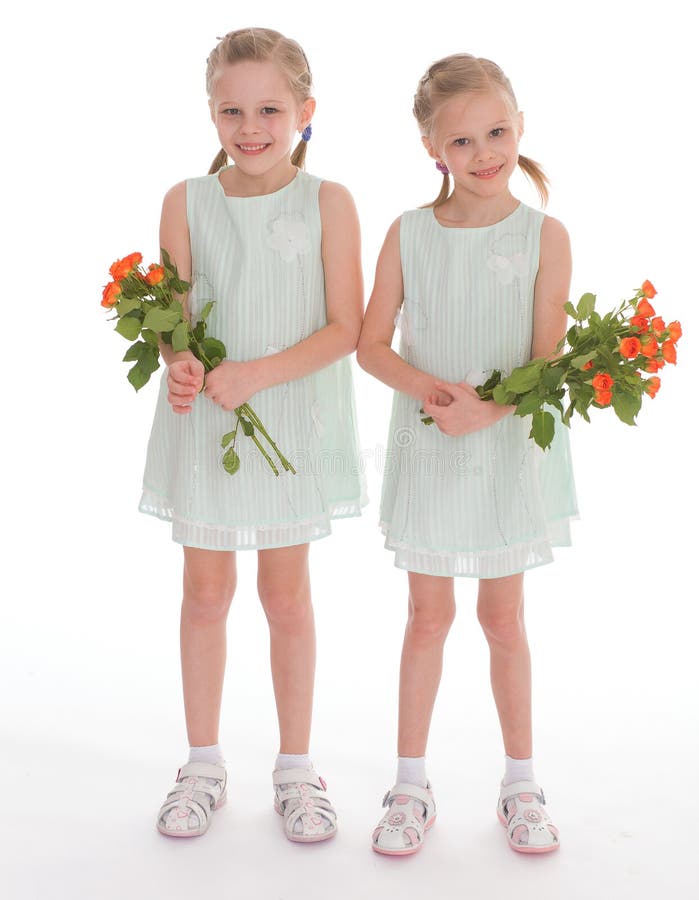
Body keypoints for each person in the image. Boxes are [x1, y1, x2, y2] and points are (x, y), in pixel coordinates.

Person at [141, 27, 366, 841]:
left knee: (285, 597)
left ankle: (296, 769)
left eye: (269, 109)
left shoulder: (328, 202)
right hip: (207, 422)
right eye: (231, 110)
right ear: (211, 113)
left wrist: (256, 374)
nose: (250, 127)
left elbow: (345, 327)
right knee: (205, 596)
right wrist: (181, 363)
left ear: (305, 111)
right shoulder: (185, 202)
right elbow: (171, 319)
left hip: (289, 422)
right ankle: (201, 764)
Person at [357, 53, 578, 855]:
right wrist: (432, 393)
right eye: (461, 141)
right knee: (426, 616)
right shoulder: (408, 233)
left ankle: (521, 784)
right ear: (432, 149)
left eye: (496, 132)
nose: (483, 153)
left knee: (502, 617)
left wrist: (487, 410)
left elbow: (547, 358)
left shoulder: (544, 235)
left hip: (506, 448)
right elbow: (370, 346)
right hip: (430, 446)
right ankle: (409, 786)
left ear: (519, 128)